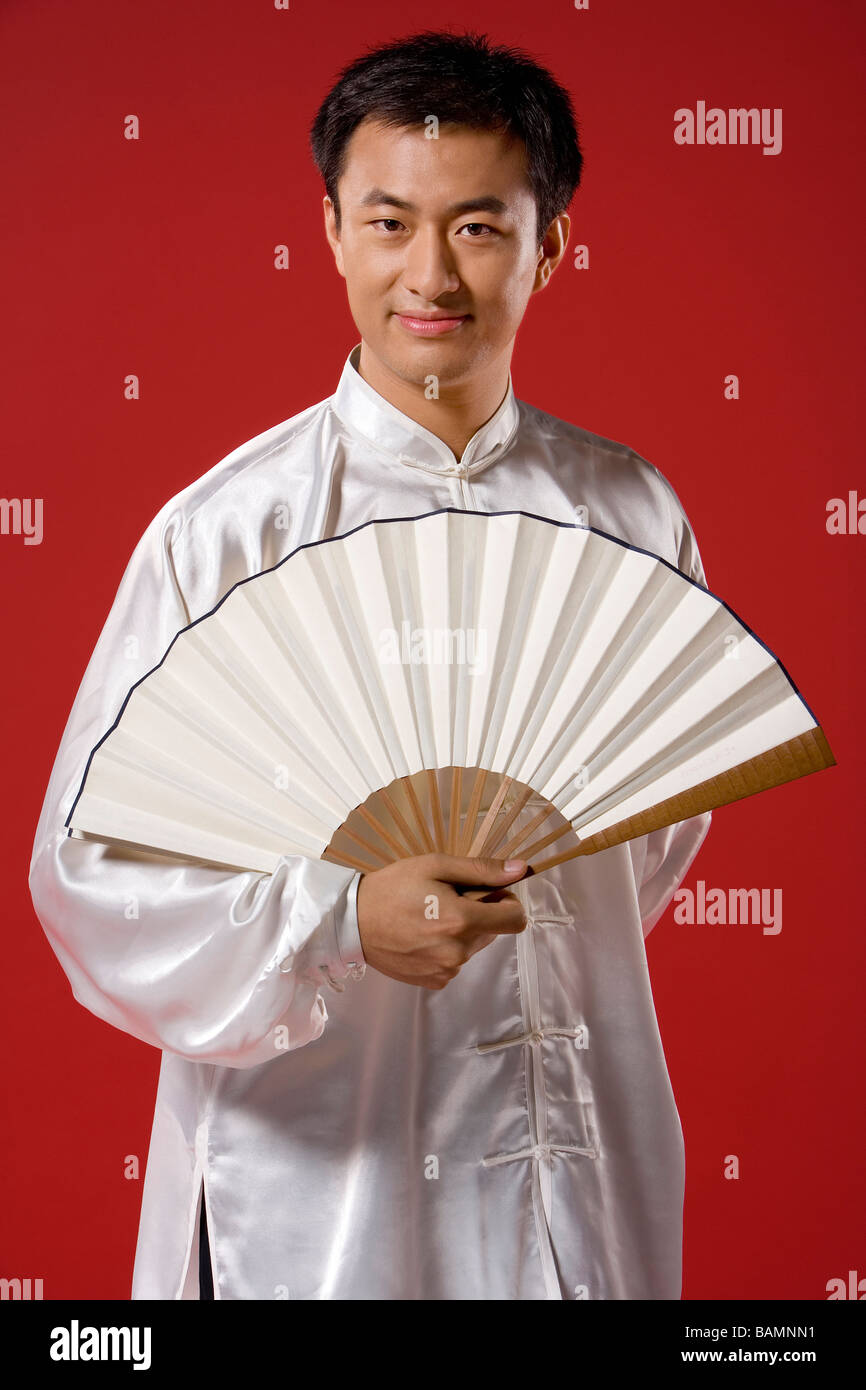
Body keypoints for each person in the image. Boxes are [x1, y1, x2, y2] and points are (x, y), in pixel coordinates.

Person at [29, 29, 711, 1300]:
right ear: (332, 230)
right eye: (389, 221)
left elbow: (657, 827)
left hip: (582, 1149)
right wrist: (340, 918)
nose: (429, 273)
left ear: (551, 243)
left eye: (479, 228)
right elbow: (92, 878)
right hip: (314, 1176)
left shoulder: (632, 517)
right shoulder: (225, 534)